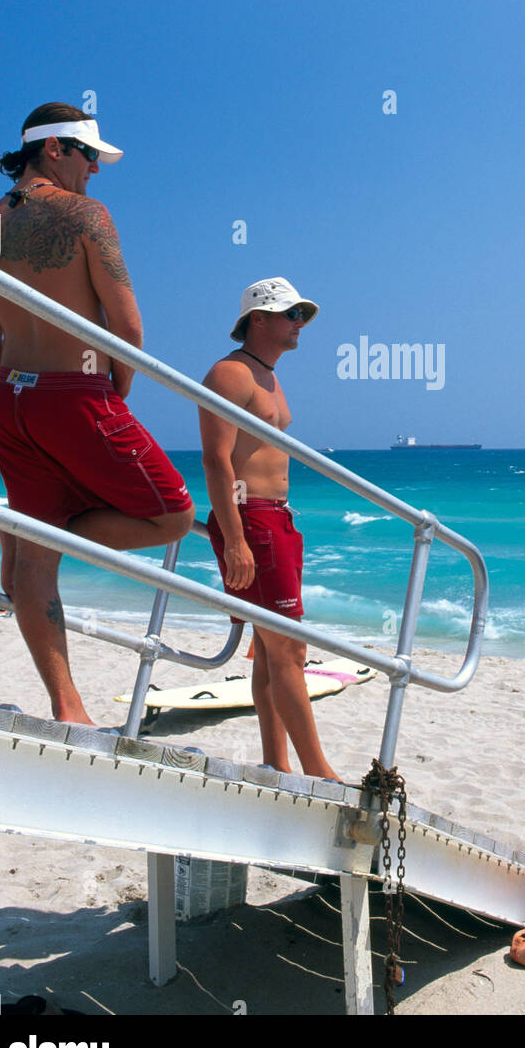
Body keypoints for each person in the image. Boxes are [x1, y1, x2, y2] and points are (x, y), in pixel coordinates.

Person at [0, 103, 195, 723]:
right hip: (77, 393)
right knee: (172, 515)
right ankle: (34, 528)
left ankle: (69, 708)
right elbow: (128, 329)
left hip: (12, 397)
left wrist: (32, 388)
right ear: (56, 150)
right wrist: (106, 393)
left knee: (32, 564)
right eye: (90, 156)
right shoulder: (87, 215)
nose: (96, 171)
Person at [199, 277, 338, 781]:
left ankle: (276, 762)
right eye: (290, 314)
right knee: (290, 649)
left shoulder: (269, 376)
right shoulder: (231, 374)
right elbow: (216, 459)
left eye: (301, 314)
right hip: (251, 516)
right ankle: (320, 774)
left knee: (269, 650)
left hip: (277, 517)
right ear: (258, 319)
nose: (299, 324)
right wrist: (234, 538)